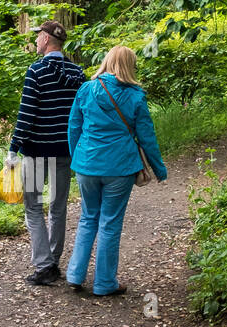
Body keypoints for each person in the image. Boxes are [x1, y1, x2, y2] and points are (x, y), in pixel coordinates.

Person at [66, 45, 167, 297]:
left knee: (88, 218)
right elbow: (147, 136)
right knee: (109, 223)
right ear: (129, 66)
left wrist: (76, 158)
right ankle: (104, 283)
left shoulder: (86, 89)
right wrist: (159, 168)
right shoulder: (135, 95)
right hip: (119, 167)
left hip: (86, 165)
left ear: (107, 61)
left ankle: (75, 275)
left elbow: (73, 128)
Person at [6, 19, 85, 285]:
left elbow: (26, 115)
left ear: (47, 39)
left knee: (33, 207)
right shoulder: (78, 72)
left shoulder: (36, 71)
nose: (36, 39)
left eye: (38, 35)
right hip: (65, 149)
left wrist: (13, 148)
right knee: (58, 207)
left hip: (37, 150)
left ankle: (44, 266)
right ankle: (53, 259)